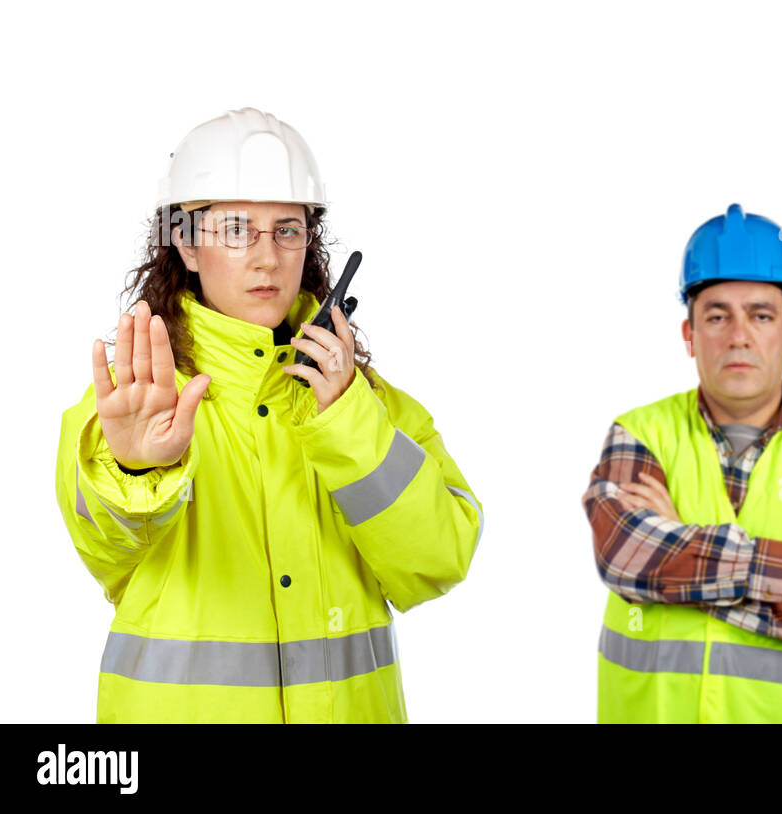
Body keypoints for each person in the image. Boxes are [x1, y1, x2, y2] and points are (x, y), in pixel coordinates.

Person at [54, 108, 483, 723]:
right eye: (234, 229)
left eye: (287, 229)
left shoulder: (365, 402)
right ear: (186, 242)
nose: (267, 258)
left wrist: (345, 420)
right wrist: (135, 469)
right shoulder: (137, 402)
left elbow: (440, 559)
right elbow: (104, 549)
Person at [583, 204, 782, 723]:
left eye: (761, 315)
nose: (739, 335)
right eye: (718, 315)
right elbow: (625, 556)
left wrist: (677, 550)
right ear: (690, 333)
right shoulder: (639, 434)